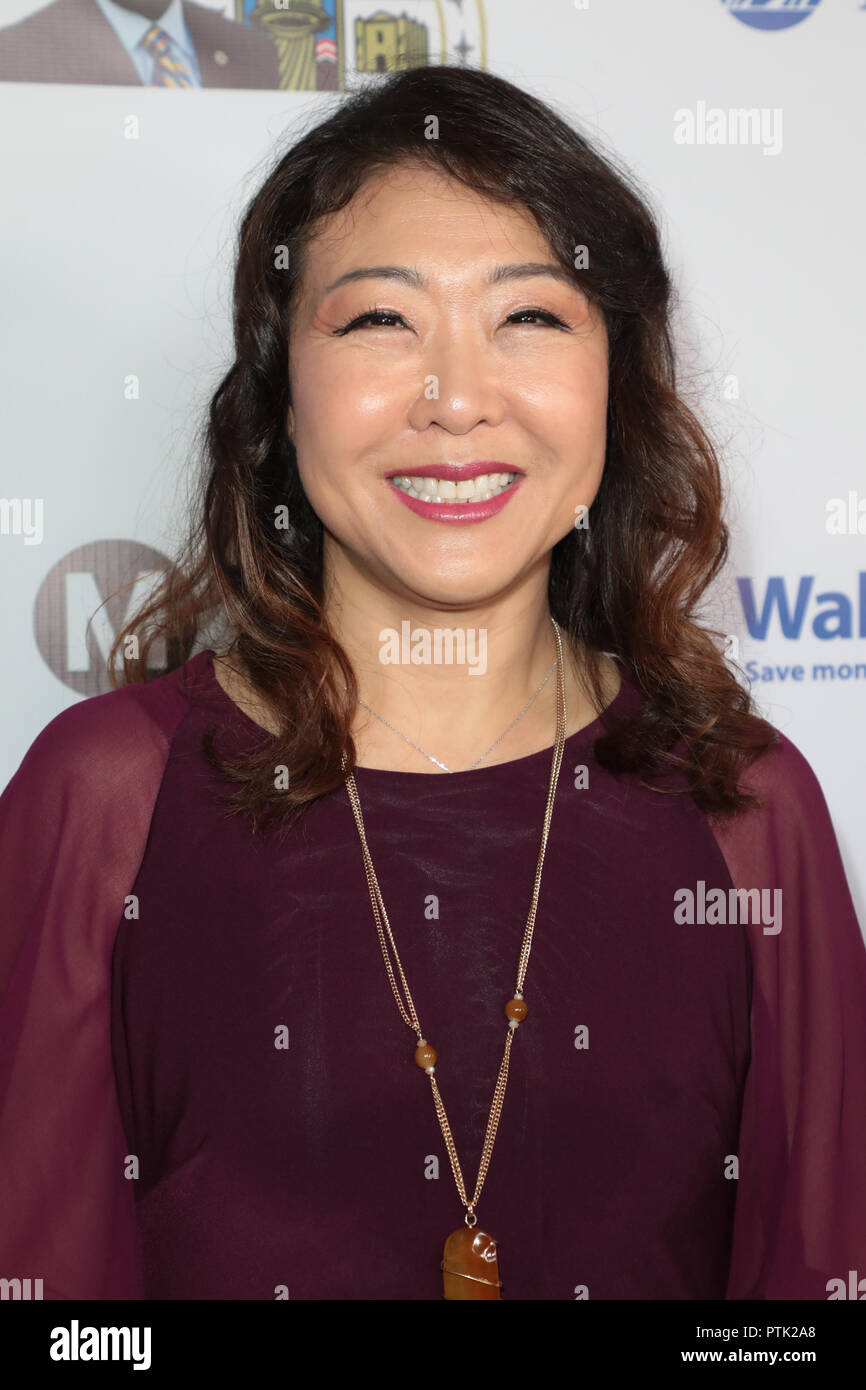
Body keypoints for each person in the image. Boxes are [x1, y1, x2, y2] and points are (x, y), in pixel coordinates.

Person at [1, 64, 864, 1302]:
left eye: (529, 319)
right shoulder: (104, 799)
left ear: (614, 384)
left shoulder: (747, 808)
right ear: (276, 389)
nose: (457, 400)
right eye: (377, 322)